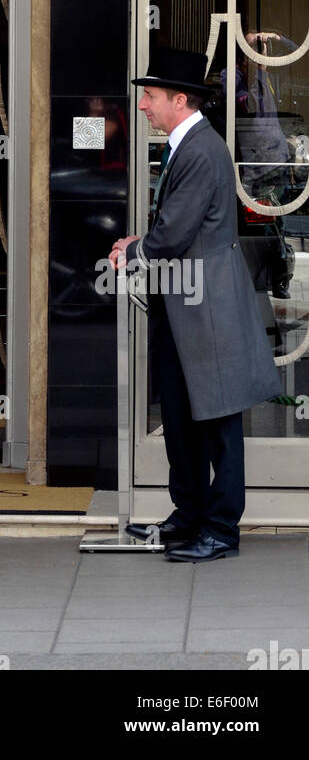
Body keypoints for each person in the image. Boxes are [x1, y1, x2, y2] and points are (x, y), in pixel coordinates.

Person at [110, 45, 281, 562]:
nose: (143, 106)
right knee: (183, 418)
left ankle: (220, 531)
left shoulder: (201, 149)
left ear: (180, 100)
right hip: (187, 303)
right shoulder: (192, 143)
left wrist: (134, 250)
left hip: (204, 308)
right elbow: (186, 225)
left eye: (152, 97)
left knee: (220, 423)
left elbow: (177, 233)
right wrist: (146, 240)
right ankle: (188, 518)